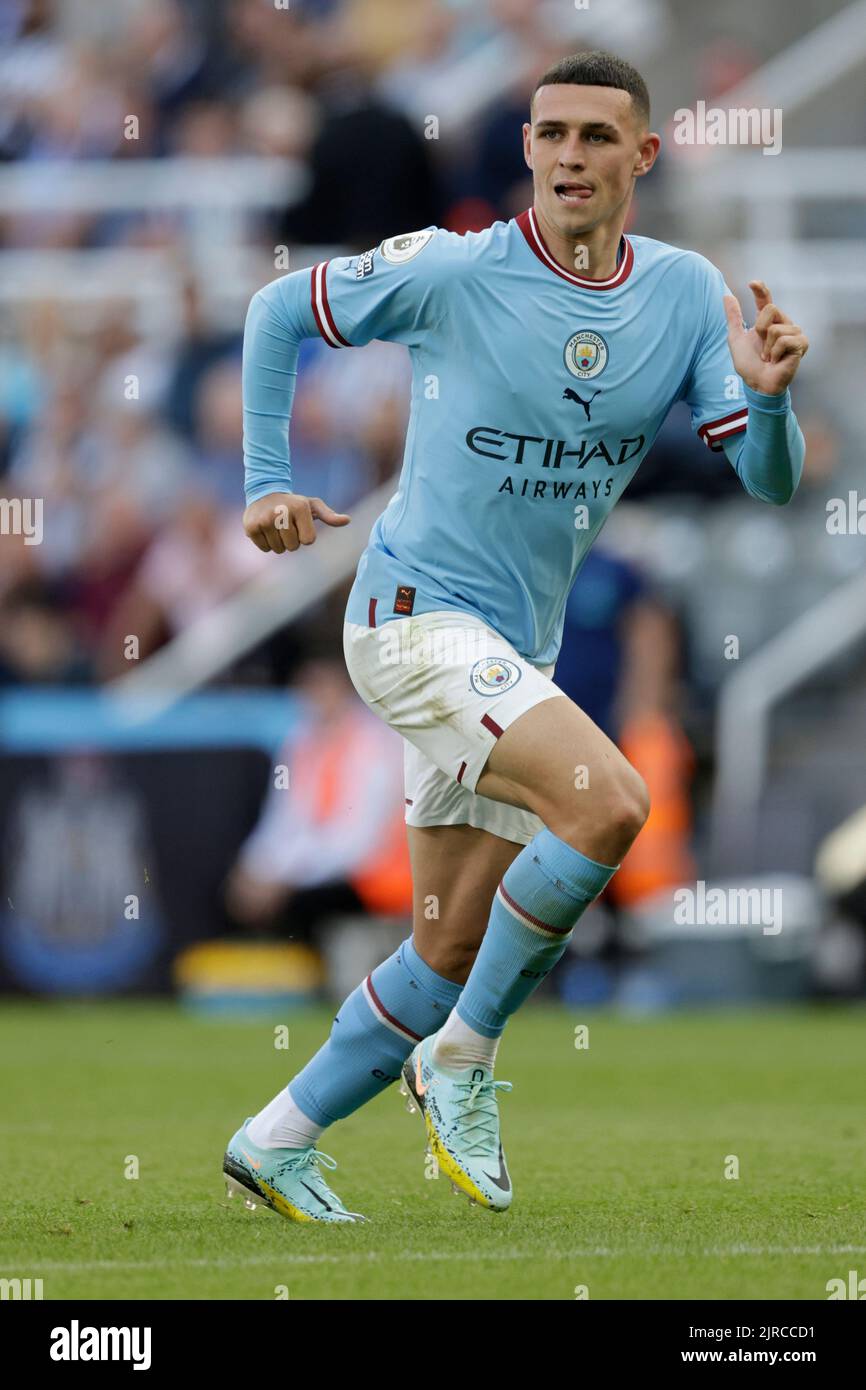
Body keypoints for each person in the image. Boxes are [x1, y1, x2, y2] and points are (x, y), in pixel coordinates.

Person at [225, 50, 808, 1224]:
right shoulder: (455, 270)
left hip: (510, 652)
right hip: (410, 618)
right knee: (607, 804)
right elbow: (277, 309)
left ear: (641, 156)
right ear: (527, 149)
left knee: (440, 948)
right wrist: (268, 481)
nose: (569, 156)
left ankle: (274, 1137)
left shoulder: (688, 295)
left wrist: (772, 397)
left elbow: (769, 484)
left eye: (597, 137)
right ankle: (462, 1062)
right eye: (550, 135)